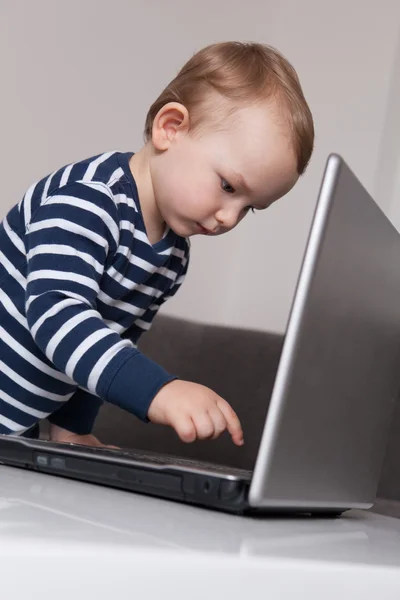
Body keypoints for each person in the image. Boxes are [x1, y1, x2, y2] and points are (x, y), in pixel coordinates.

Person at [0, 41, 314, 448]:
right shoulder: (87, 199)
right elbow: (57, 317)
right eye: (228, 186)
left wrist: (71, 430)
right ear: (171, 128)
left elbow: (110, 337)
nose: (229, 218)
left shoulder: (172, 258)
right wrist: (157, 390)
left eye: (249, 208)